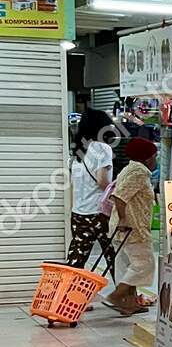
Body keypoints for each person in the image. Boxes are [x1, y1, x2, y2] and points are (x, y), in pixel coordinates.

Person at [102, 137, 157, 315]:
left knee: (125, 265)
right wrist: (124, 220)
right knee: (144, 264)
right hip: (132, 227)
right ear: (147, 157)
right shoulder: (139, 172)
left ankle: (129, 303)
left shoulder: (129, 169)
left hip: (123, 226)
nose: (155, 160)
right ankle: (117, 296)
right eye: (154, 156)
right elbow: (120, 197)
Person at [67, 108, 116, 270]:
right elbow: (102, 181)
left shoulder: (77, 150)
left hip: (78, 213)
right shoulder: (102, 148)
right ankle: (122, 288)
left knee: (76, 260)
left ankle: (67, 286)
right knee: (114, 257)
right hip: (99, 213)